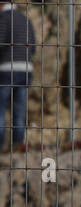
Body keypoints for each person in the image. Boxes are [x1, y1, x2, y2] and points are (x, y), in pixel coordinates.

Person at [0, 1, 35, 151]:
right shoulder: (26, 19)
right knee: (19, 112)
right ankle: (18, 147)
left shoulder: (3, 19)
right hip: (26, 68)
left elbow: (0, 44)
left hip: (7, 69)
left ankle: (0, 146)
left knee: (0, 110)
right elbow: (33, 46)